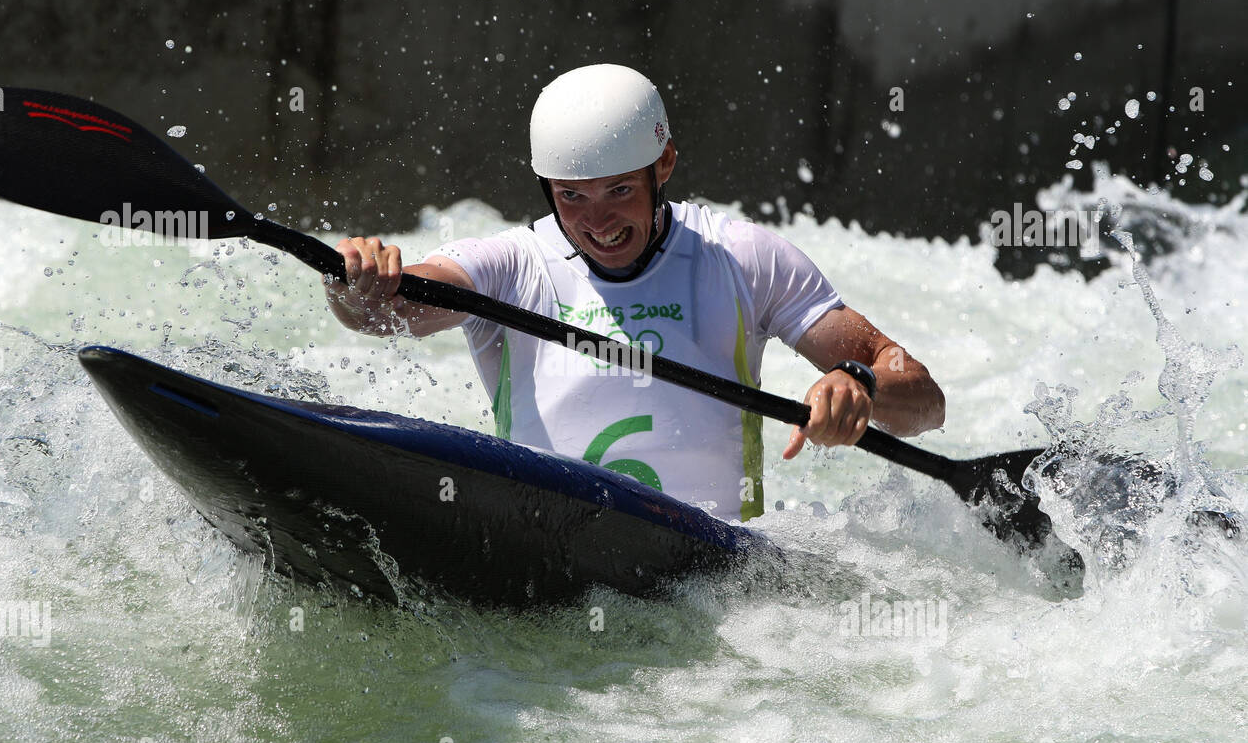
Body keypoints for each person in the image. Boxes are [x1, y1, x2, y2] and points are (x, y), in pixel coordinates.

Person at [325, 63, 945, 521]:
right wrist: (357, 286)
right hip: (549, 551)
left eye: (620, 190)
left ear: (664, 164)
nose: (599, 222)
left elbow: (925, 400)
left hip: (724, 583)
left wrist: (857, 383)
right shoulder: (512, 265)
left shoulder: (741, 257)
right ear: (547, 187)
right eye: (573, 196)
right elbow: (388, 314)